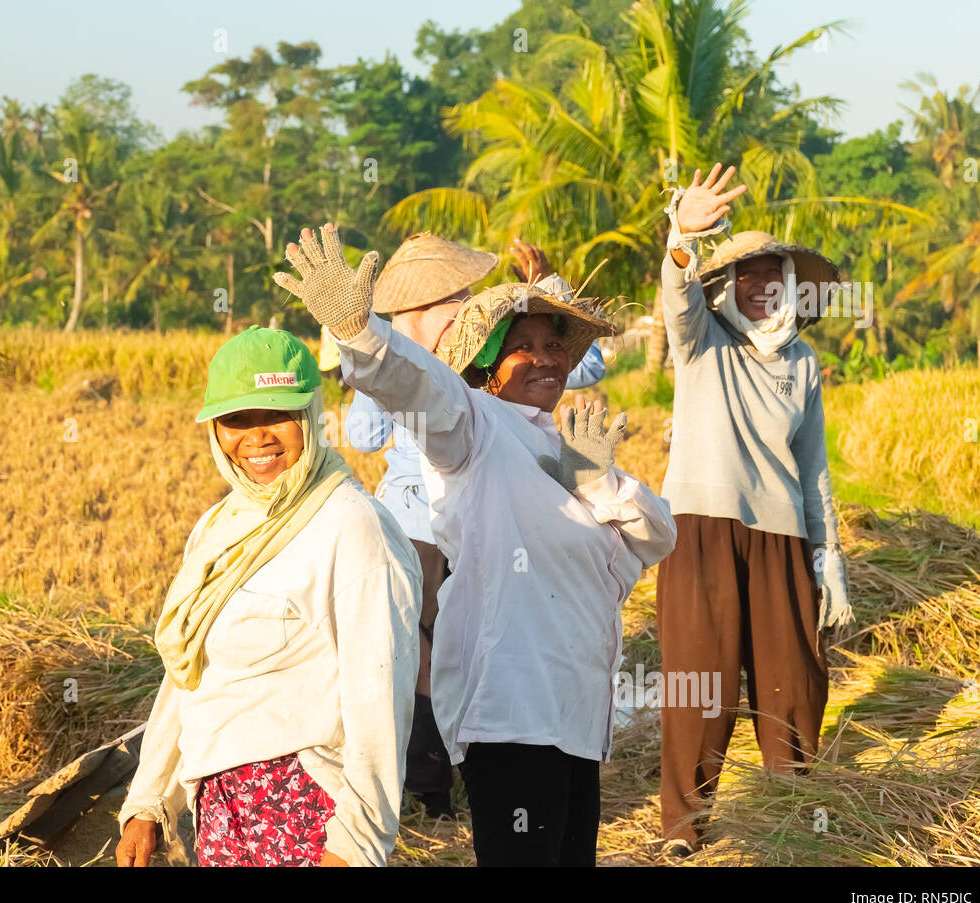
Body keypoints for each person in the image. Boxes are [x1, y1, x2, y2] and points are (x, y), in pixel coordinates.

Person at [274, 224, 675, 866]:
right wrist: (359, 333)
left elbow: (656, 537)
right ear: (486, 369)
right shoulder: (475, 428)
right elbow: (421, 390)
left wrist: (597, 479)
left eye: (552, 345)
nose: (544, 358)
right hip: (511, 714)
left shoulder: (566, 450)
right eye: (521, 347)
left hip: (575, 716)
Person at [115, 326, 422, 868]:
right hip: (221, 815)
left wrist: (354, 845)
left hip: (306, 817)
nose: (256, 438)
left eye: (275, 416)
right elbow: (189, 674)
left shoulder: (353, 527)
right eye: (237, 420)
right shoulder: (221, 525)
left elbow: (381, 702)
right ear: (215, 429)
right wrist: (151, 800)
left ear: (309, 416)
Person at [345, 233, 606, 817]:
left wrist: (549, 292)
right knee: (419, 648)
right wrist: (400, 350)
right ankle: (429, 784)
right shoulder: (394, 357)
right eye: (451, 297)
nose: (466, 302)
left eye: (465, 292)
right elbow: (364, 435)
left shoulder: (482, 346)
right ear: (415, 310)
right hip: (417, 521)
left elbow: (587, 365)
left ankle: (476, 763)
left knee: (478, 641)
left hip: (492, 520)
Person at [655, 164, 854, 856]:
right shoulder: (702, 340)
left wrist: (827, 556)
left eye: (774, 275)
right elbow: (675, 294)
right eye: (747, 276)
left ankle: (792, 813)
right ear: (726, 287)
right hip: (700, 532)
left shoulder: (801, 362)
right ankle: (685, 827)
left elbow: (814, 467)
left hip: (780, 535)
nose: (762, 287)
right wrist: (683, 231)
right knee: (699, 683)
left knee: (794, 681)